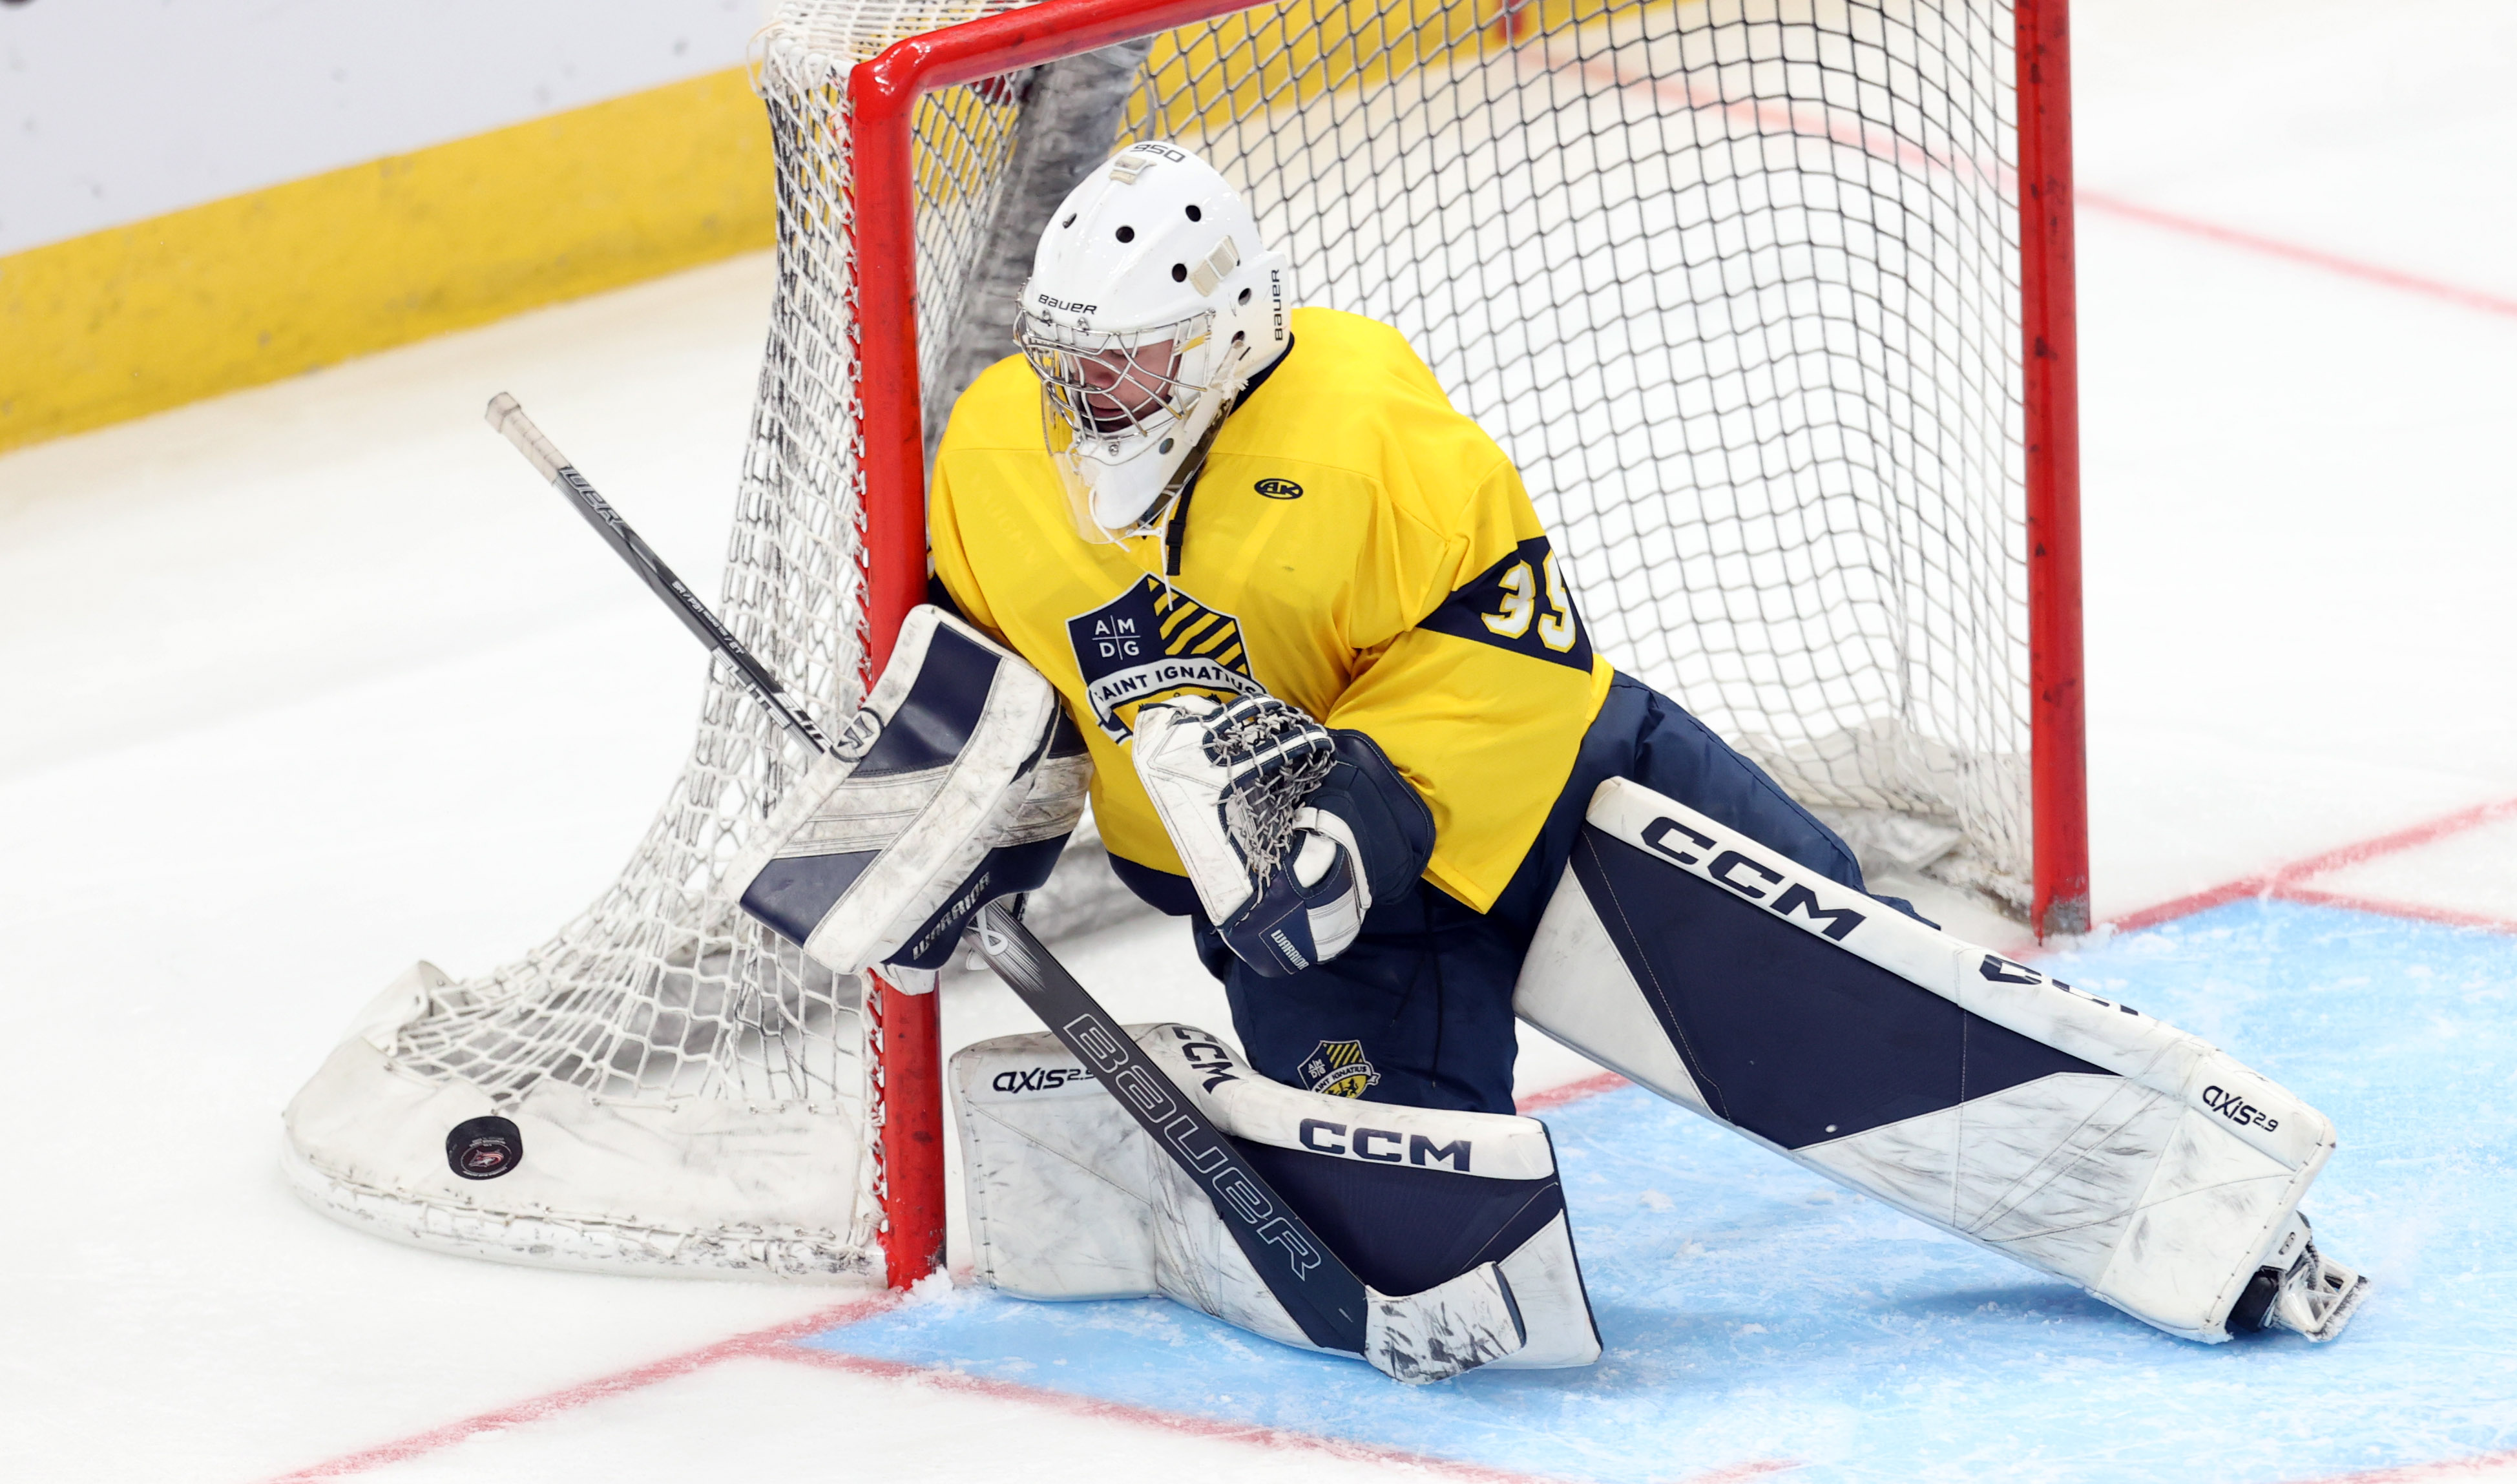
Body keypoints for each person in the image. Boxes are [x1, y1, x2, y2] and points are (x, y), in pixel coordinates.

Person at [925, 140, 1889, 1117]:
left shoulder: (1363, 425)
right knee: (1399, 1179)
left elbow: (1513, 645)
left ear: (1223, 334)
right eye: (1062, 360)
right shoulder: (993, 452)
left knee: (1843, 965)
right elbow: (982, 664)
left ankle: (1920, 1024)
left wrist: (1354, 813)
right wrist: (938, 815)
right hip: (1302, 908)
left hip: (1535, 795)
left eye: (1123, 361)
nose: (1081, 398)